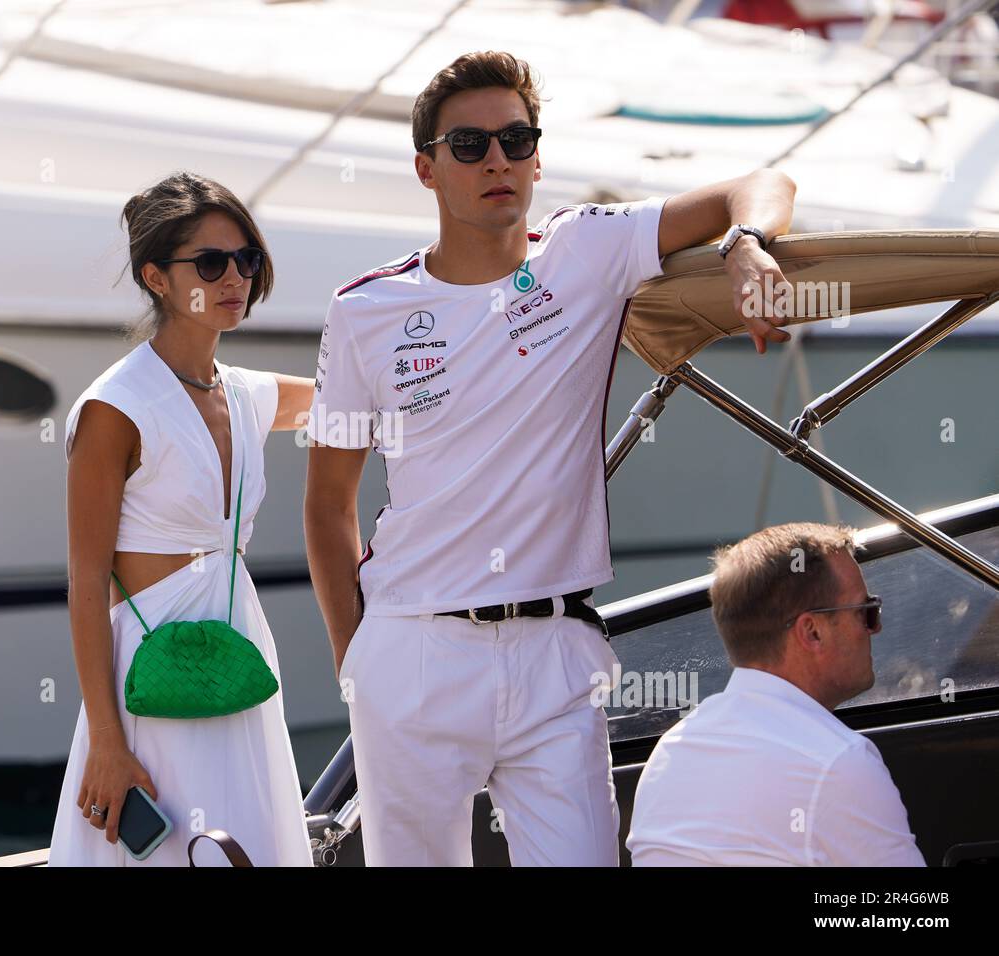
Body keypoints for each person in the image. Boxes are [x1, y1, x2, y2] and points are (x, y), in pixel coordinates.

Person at [302, 50, 797, 866]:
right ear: (427, 168)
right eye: (469, 145)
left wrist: (747, 244)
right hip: (412, 653)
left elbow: (764, 181)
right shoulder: (365, 310)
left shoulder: (586, 252)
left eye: (516, 139)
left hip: (555, 657)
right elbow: (327, 501)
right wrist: (354, 662)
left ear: (537, 156)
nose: (497, 159)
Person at [49, 172, 315, 866]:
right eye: (210, 262)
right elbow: (84, 585)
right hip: (149, 682)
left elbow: (357, 399)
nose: (235, 277)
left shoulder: (248, 394)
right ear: (156, 277)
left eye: (246, 259)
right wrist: (107, 742)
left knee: (249, 843)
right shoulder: (115, 407)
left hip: (239, 660)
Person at [627, 522, 926, 866]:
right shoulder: (839, 763)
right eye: (866, 612)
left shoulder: (668, 755)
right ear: (812, 632)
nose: (876, 628)